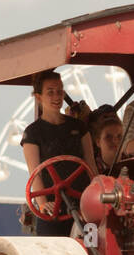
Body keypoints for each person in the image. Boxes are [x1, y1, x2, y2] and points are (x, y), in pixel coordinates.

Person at [21, 70, 97, 236]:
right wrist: (42, 205)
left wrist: (95, 198)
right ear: (38, 97)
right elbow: (35, 173)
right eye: (50, 92)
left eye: (60, 91)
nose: (57, 97)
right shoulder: (32, 133)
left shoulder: (79, 127)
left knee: (92, 251)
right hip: (53, 211)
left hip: (83, 207)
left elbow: (91, 166)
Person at [88, 107, 125, 173]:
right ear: (98, 142)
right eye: (108, 137)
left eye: (119, 136)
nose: (115, 141)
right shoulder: (91, 170)